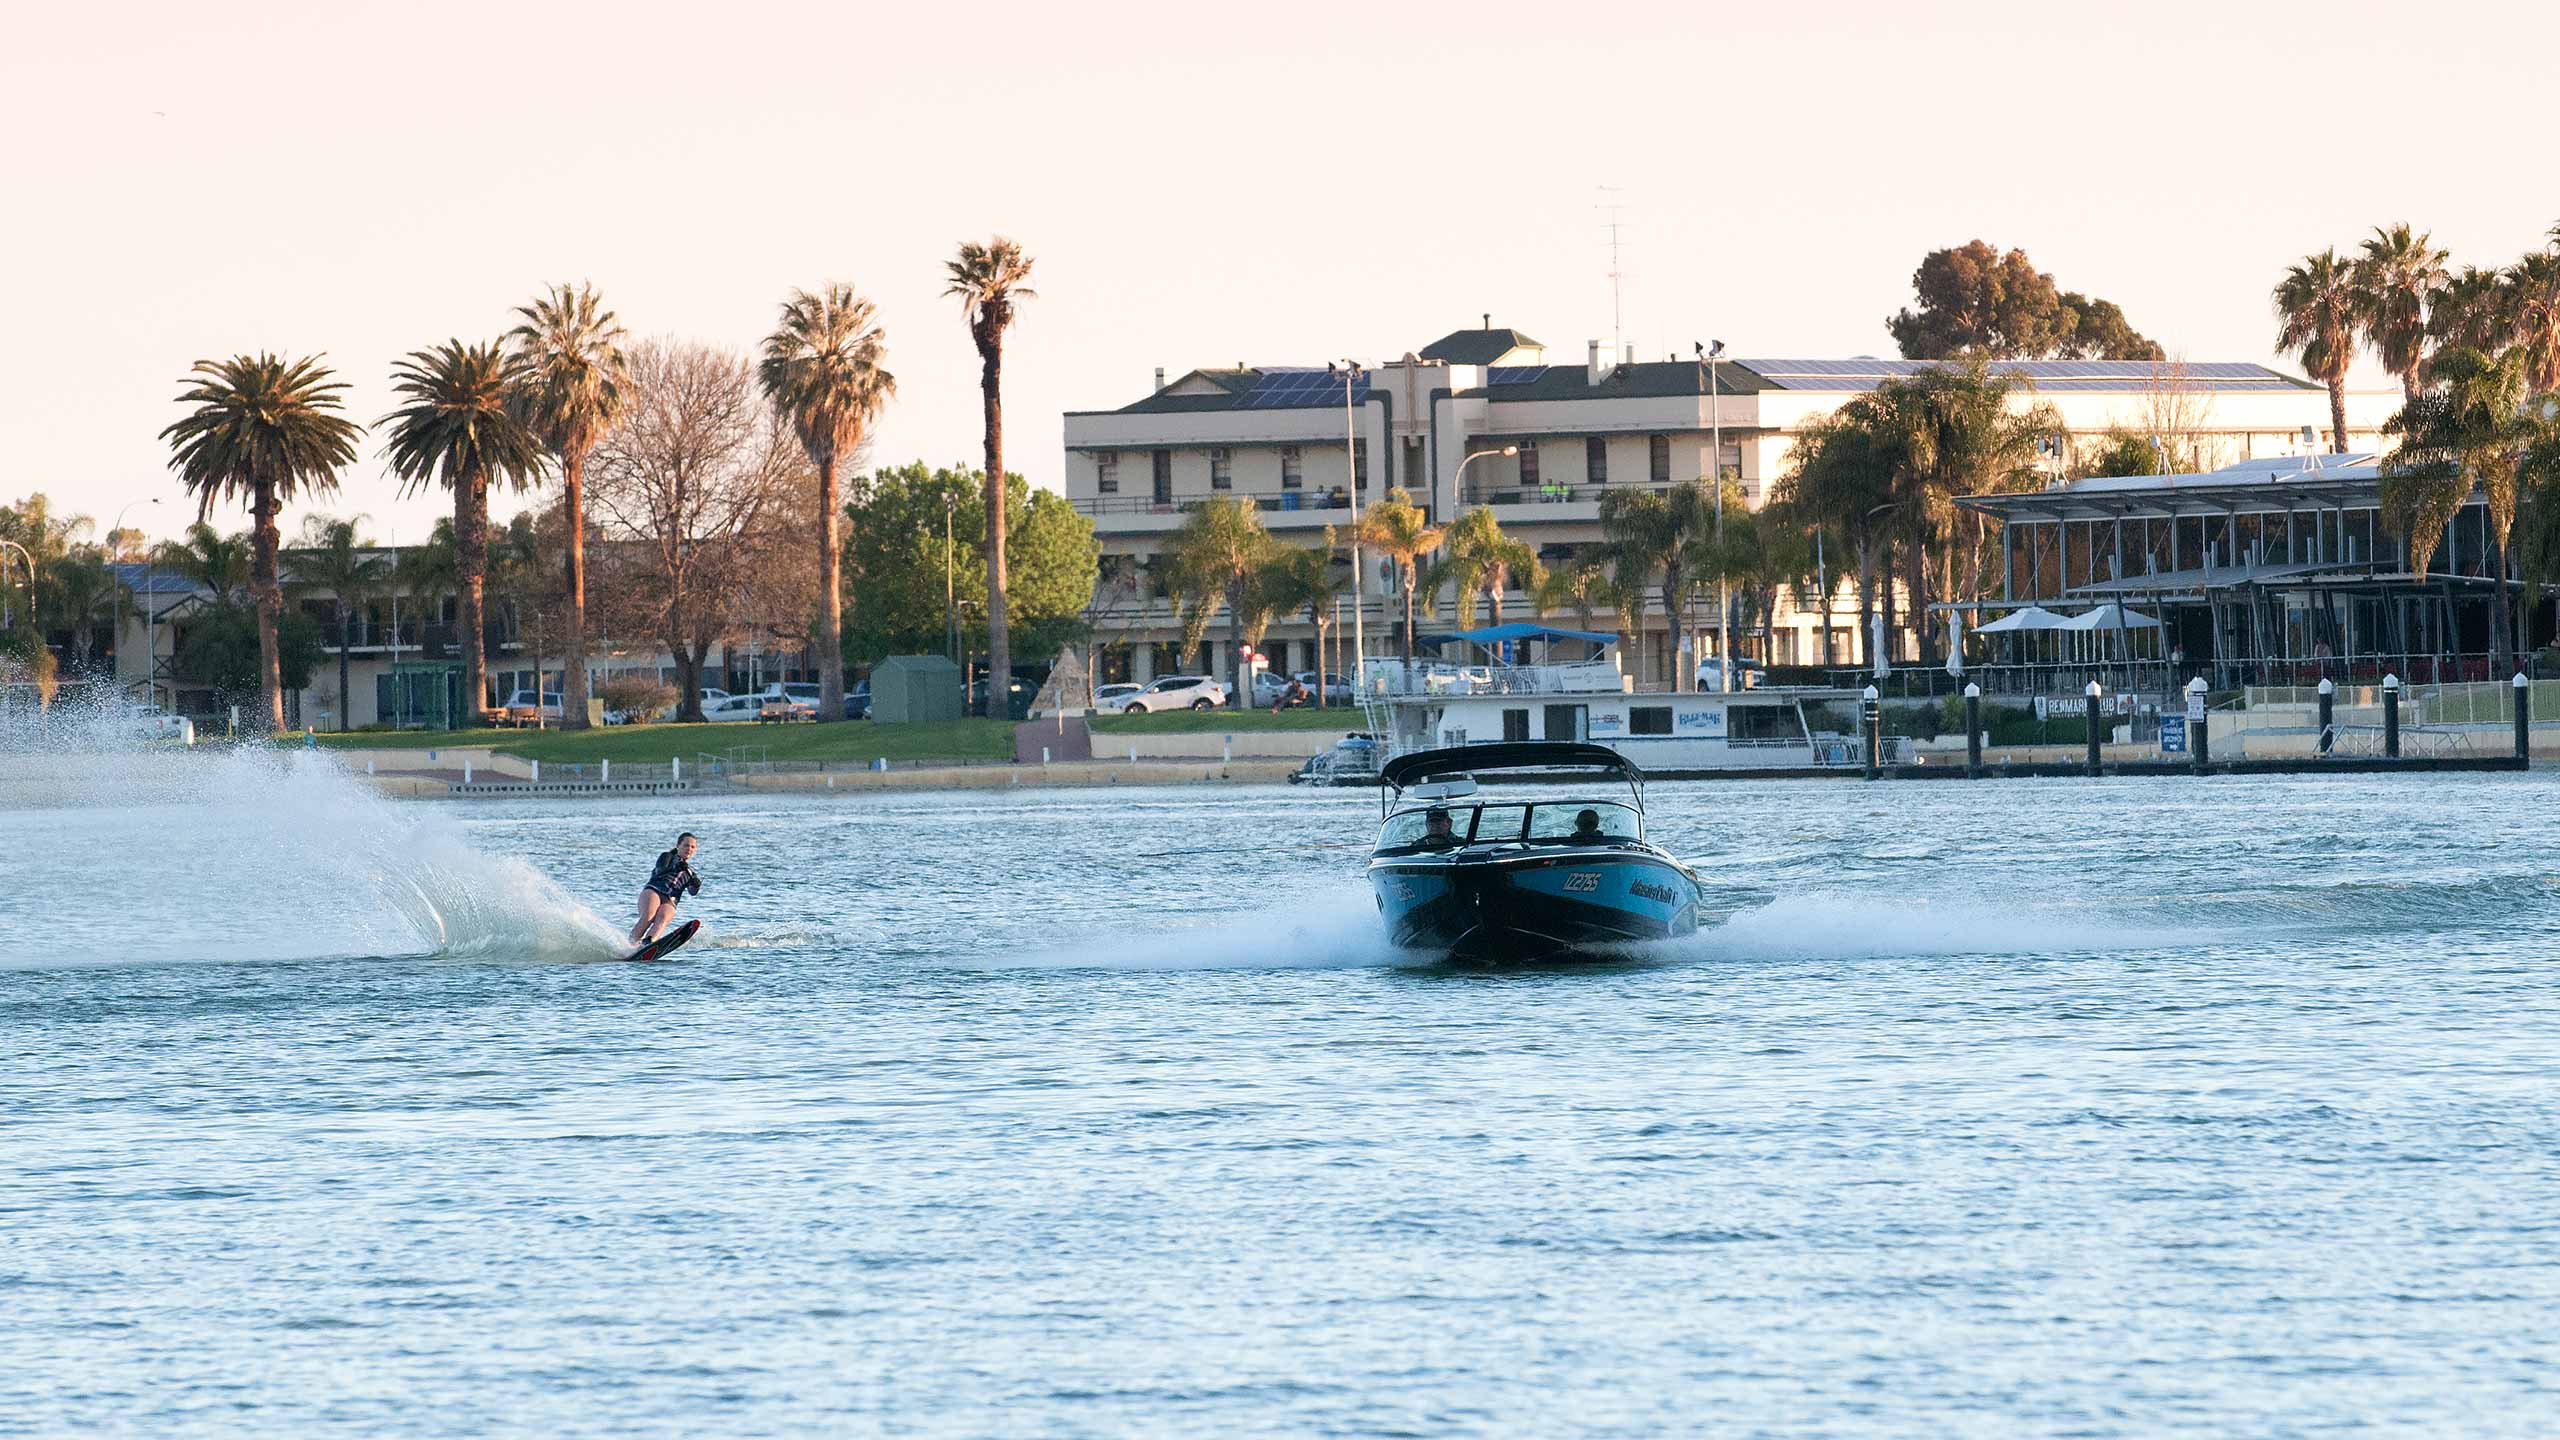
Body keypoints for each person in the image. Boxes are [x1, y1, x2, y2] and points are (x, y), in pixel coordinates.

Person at [632, 832, 702, 945]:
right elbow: (660, 870)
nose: (689, 849)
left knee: (663, 919)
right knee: (649, 916)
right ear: (678, 846)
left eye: (692, 847)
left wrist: (696, 884)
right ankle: (630, 944)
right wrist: (676, 866)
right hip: (654, 891)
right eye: (686, 845)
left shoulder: (690, 873)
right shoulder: (667, 857)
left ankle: (649, 943)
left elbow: (692, 892)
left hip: (670, 900)